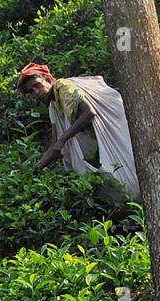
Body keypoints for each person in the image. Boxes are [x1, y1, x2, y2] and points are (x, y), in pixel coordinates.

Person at [16, 62, 140, 201]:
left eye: (37, 85)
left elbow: (89, 113)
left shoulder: (63, 86)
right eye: (31, 91)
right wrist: (31, 173)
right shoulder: (53, 107)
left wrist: (63, 139)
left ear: (48, 79)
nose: (36, 92)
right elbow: (55, 147)